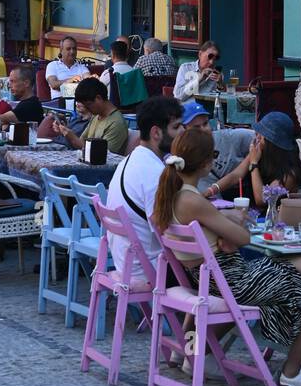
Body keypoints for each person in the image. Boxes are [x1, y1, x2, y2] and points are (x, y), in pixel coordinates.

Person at [153, 127, 301, 386]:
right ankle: (297, 373)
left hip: (213, 279)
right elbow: (244, 237)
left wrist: (226, 227)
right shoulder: (193, 201)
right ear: (205, 163)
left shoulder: (175, 197)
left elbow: (225, 234)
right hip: (234, 281)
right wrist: (232, 226)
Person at [105, 96, 184, 279]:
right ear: (156, 133)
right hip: (150, 269)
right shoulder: (154, 173)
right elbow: (168, 230)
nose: (183, 132)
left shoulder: (130, 161)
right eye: (176, 127)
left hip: (128, 262)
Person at [179, 101, 257, 198]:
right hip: (212, 203)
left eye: (205, 123)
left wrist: (252, 157)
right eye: (196, 127)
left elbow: (260, 137)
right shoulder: (184, 157)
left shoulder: (228, 137)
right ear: (184, 129)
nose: (204, 129)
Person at [42, 77, 128, 154]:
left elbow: (101, 156)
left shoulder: (116, 123)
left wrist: (70, 135)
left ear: (98, 98)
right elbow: (81, 143)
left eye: (89, 104)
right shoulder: (96, 116)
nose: (87, 108)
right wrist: (66, 132)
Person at [44, 37, 90, 101]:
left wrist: (64, 87)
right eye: (68, 49)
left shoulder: (82, 67)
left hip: (80, 103)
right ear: (61, 50)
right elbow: (54, 85)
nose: (72, 52)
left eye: (74, 49)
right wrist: (71, 80)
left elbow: (89, 83)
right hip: (60, 105)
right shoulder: (53, 65)